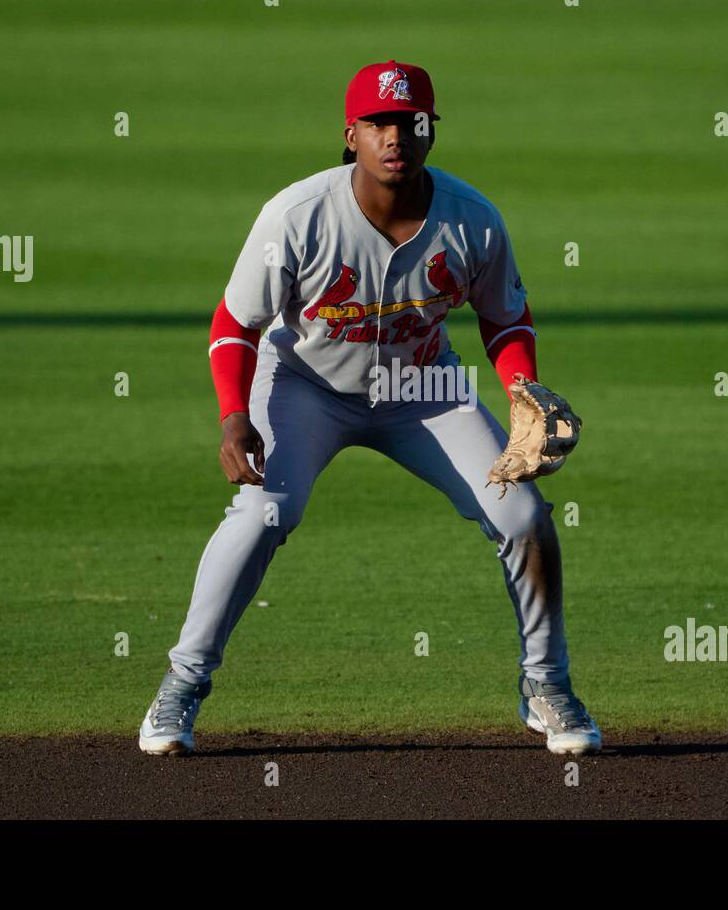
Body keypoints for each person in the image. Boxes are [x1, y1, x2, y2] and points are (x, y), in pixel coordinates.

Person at [138, 60, 601, 756]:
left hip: (423, 391)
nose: (395, 137)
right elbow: (235, 324)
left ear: (430, 133)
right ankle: (181, 687)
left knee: (524, 514)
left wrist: (521, 389)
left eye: (410, 122)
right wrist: (235, 414)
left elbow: (505, 319)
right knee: (265, 512)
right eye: (378, 123)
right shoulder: (296, 216)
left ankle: (547, 686)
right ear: (349, 135)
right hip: (304, 387)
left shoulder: (472, 220)